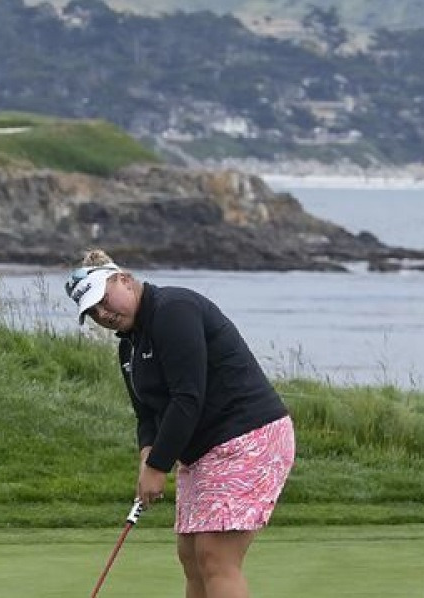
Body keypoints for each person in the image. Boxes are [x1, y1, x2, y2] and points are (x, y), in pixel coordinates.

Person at [65, 250, 294, 598]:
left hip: (247, 438)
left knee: (216, 557)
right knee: (191, 556)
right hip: (204, 450)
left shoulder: (173, 310)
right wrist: (147, 455)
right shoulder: (129, 346)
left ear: (124, 279)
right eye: (93, 312)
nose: (103, 314)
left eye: (103, 300)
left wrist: (158, 466)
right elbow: (147, 414)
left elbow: (187, 397)